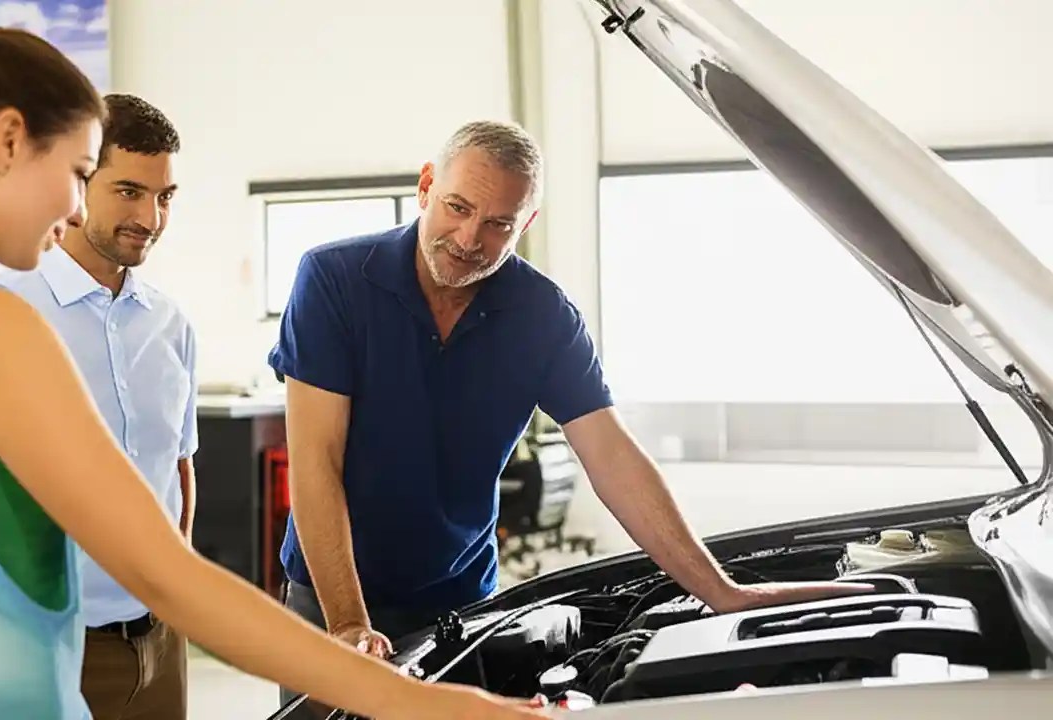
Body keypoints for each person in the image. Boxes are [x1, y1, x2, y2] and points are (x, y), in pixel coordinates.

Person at [0, 3, 548, 719]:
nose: (71, 207)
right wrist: (440, 704)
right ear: (9, 141)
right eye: (78, 170)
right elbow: (169, 577)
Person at [268, 119, 873, 698]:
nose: (470, 240)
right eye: (457, 207)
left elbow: (612, 457)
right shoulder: (335, 278)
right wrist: (347, 622)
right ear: (426, 186)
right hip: (327, 593)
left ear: (526, 222)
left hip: (459, 599)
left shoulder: (542, 315)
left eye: (499, 224)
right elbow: (316, 460)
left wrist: (722, 592)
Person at [0, 94, 194, 720]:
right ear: (78, 183)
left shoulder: (171, 323)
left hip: (162, 639)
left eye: (164, 196)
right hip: (47, 646)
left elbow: (178, 467)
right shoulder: (3, 312)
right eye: (129, 191)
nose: (151, 217)